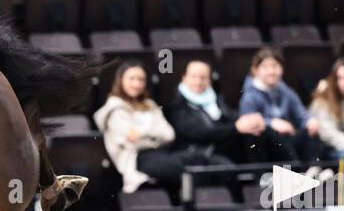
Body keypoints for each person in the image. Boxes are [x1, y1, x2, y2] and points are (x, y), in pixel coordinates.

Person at [94, 61, 212, 194]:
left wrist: (142, 133)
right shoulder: (114, 109)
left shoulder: (150, 105)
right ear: (121, 80)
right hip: (136, 160)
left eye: (141, 79)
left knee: (199, 159)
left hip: (162, 154)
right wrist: (154, 135)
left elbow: (169, 134)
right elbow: (132, 143)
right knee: (183, 169)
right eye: (131, 79)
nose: (136, 84)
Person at [166, 59, 266, 163]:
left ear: (209, 80)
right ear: (184, 78)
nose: (198, 82)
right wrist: (235, 127)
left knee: (257, 133)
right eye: (194, 77)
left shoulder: (214, 99)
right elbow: (199, 132)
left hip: (221, 146)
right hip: (199, 152)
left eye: (203, 77)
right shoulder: (178, 105)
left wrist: (249, 120)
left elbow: (229, 115)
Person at [237, 46, 323, 165]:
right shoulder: (249, 96)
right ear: (255, 70)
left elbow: (301, 114)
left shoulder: (287, 91)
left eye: (275, 66)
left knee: (311, 130)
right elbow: (248, 124)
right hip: (268, 146)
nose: (271, 71)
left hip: (288, 139)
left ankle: (314, 169)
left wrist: (309, 121)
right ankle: (299, 172)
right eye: (265, 67)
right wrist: (271, 123)